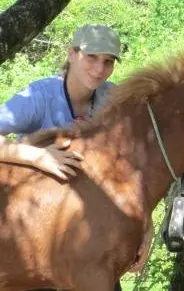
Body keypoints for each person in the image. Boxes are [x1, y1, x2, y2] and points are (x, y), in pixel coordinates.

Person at [0, 24, 123, 291]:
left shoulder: (112, 99)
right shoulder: (40, 96)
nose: (99, 69)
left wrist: (143, 229)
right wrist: (36, 156)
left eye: (108, 61)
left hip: (92, 240)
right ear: (71, 54)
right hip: (38, 241)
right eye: (91, 57)